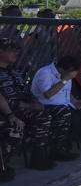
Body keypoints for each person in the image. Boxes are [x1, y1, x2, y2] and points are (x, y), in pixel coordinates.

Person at [0, 38, 55, 171]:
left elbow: (26, 92)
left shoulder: (14, 72)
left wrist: (35, 102)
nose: (15, 53)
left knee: (45, 115)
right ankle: (4, 166)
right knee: (14, 128)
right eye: (11, 51)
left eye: (16, 50)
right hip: (6, 112)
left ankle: (39, 157)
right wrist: (26, 107)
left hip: (21, 109)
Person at [30, 54, 81, 162]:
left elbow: (66, 93)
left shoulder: (67, 74)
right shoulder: (44, 73)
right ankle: (57, 150)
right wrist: (64, 80)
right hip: (44, 105)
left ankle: (63, 147)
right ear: (62, 69)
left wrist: (75, 101)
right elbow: (48, 94)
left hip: (64, 105)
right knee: (66, 115)